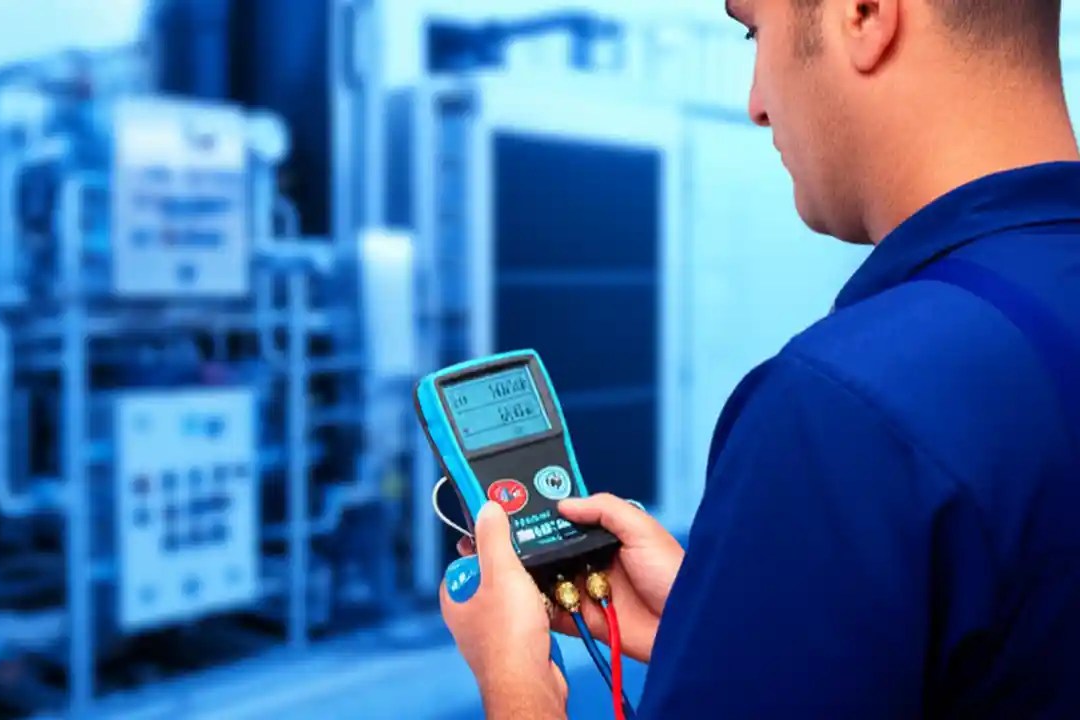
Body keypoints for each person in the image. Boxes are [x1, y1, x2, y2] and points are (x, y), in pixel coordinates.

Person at [438, 0, 1080, 717]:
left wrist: (515, 683)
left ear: (866, 13)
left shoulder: (844, 412)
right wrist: (740, 617)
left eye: (754, 31)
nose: (755, 106)